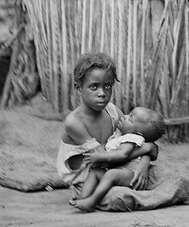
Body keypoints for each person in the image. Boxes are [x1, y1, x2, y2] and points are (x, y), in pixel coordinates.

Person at [56, 52, 157, 194]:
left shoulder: (112, 111)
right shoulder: (74, 122)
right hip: (88, 180)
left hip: (114, 169)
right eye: (94, 87)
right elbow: (103, 160)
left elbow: (137, 139)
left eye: (107, 86)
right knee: (118, 197)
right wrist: (147, 149)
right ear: (79, 88)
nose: (102, 93)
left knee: (159, 175)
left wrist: (144, 163)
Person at [70, 107, 166, 213]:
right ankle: (83, 199)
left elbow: (123, 154)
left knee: (111, 175)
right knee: (95, 172)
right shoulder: (121, 136)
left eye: (130, 119)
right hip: (119, 171)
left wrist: (100, 156)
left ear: (138, 133)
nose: (124, 116)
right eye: (128, 114)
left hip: (131, 173)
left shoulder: (131, 138)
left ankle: (91, 202)